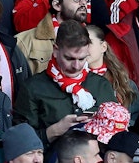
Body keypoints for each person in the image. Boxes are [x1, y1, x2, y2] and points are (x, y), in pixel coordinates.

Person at [14, 19, 116, 148]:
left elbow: (116, 134)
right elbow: (21, 143)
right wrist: (54, 131)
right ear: (55, 50)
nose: (76, 66)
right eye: (69, 58)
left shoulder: (101, 85)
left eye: (82, 58)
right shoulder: (33, 88)